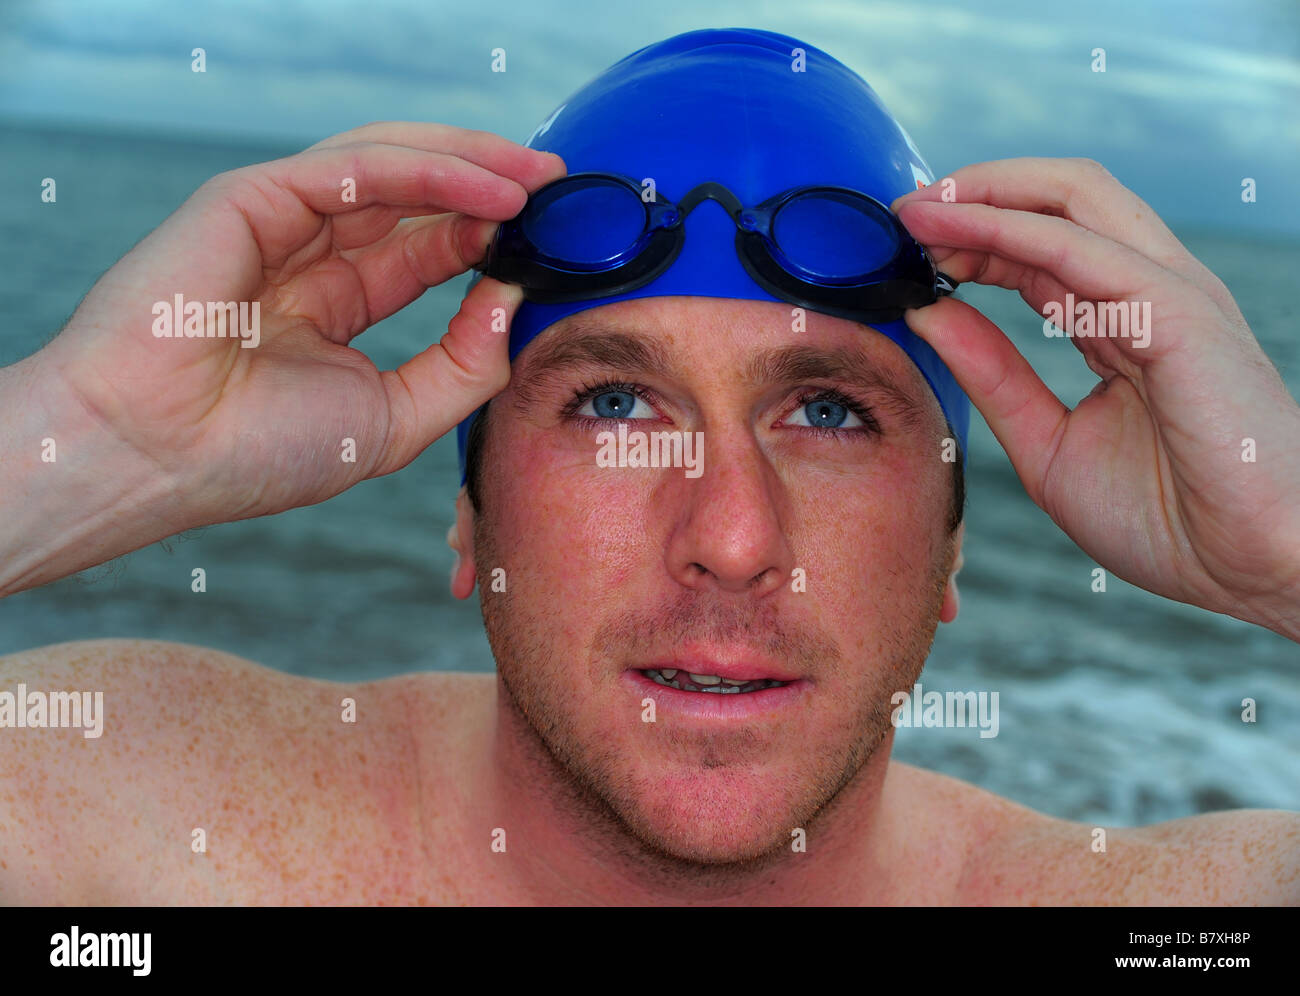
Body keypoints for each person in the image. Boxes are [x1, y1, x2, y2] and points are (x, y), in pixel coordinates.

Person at [1, 28, 1296, 905]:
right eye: (616, 403)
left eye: (832, 416)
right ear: (471, 509)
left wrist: (1285, 549)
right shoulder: (139, 837)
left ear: (954, 540)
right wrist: (81, 452)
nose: (731, 537)